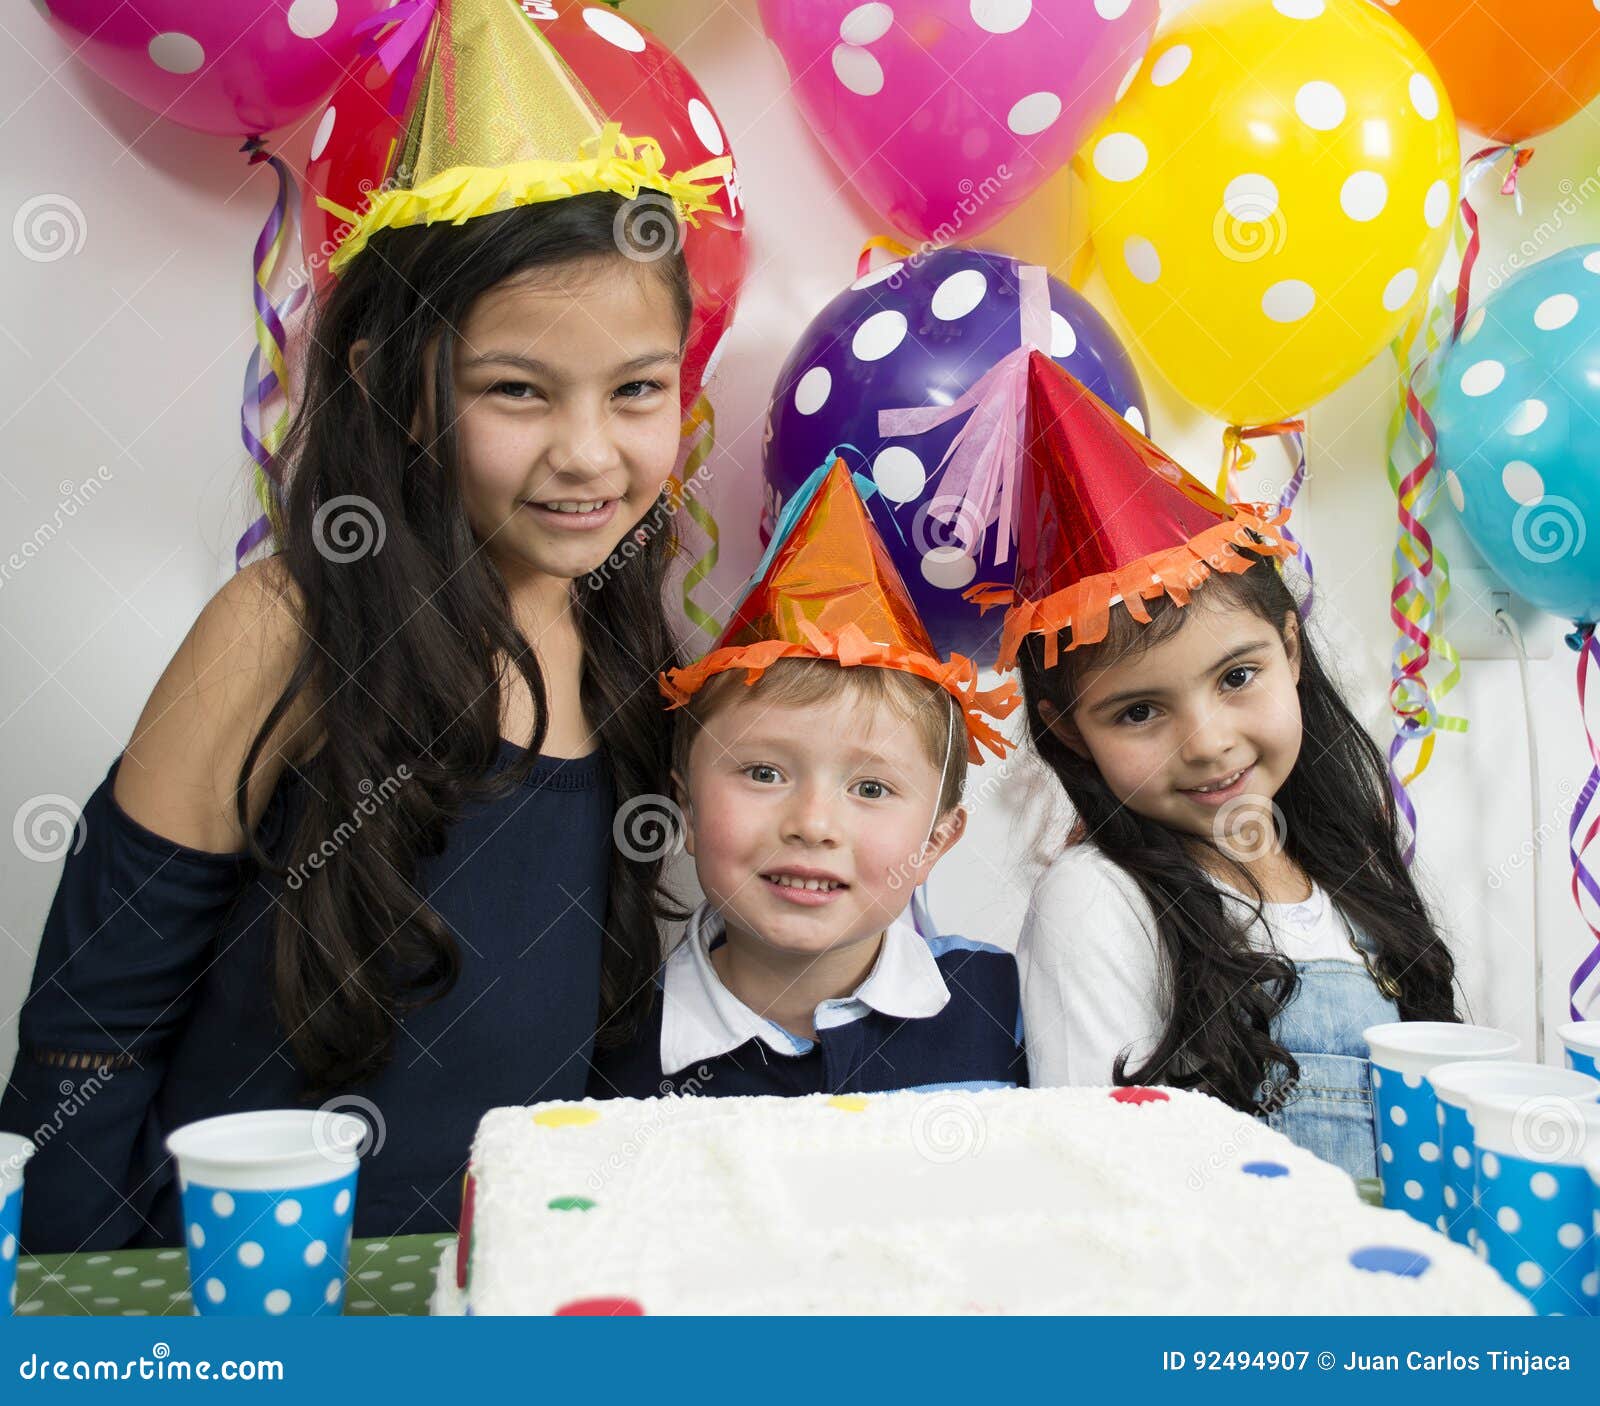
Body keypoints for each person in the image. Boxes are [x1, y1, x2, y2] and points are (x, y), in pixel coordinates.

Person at [0, 0, 731, 1251]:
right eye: (515, 388)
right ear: (400, 384)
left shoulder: (621, 644)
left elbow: (599, 1037)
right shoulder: (283, 624)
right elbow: (90, 1024)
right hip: (252, 1297)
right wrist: (88, 1326)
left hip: (503, 1291)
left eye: (636, 390)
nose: (588, 451)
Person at [985, 356, 1459, 1181]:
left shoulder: (1356, 875)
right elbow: (1108, 1187)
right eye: (1139, 712)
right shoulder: (1099, 902)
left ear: (1289, 647)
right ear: (1068, 730)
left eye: (1237, 677)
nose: (1205, 743)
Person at [589, 457, 1027, 1098]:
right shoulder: (617, 1050)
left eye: (871, 789)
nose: (813, 825)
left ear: (934, 843)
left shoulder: (1003, 1005)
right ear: (685, 812)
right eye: (763, 772)